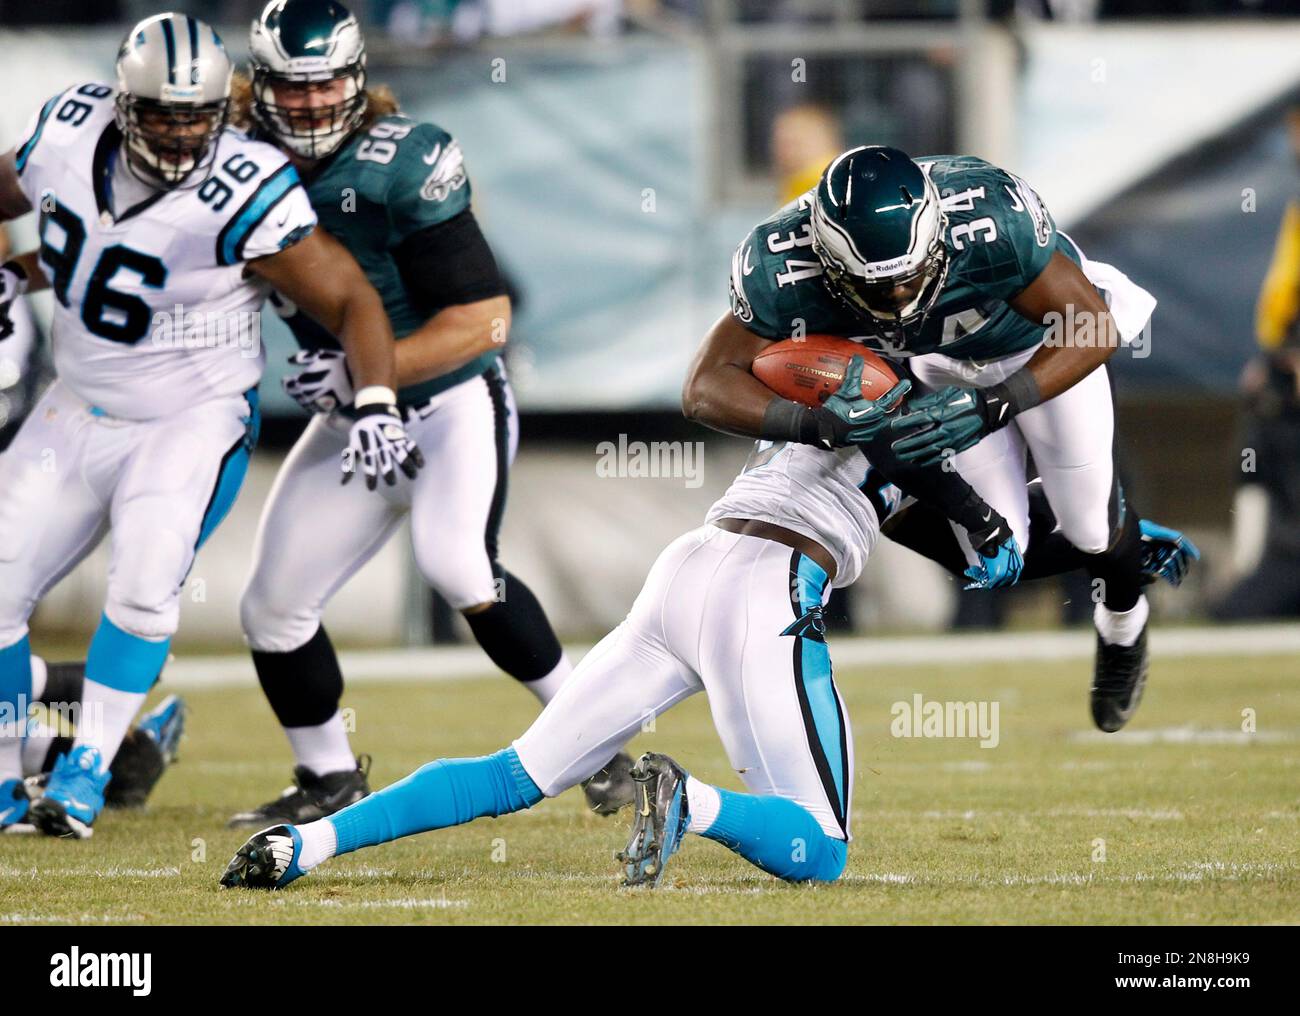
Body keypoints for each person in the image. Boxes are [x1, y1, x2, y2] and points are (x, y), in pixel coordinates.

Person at [0, 12, 421, 838]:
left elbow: (351, 299)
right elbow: (50, 224)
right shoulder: (65, 129)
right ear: (124, 105)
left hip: (188, 416)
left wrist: (375, 399)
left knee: (146, 580)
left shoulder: (244, 181)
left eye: (197, 115)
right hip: (77, 401)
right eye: (163, 113)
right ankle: (12, 775)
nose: (183, 132)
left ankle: (86, 770)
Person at [226, 0, 632, 827]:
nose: (307, 103)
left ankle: (601, 746)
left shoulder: (403, 162)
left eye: (326, 83)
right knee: (270, 608)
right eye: (290, 86)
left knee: (456, 565)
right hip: (349, 422)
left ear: (357, 78)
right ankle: (328, 778)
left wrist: (362, 376)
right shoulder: (236, 163)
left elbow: (484, 322)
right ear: (257, 85)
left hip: (450, 404)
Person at [723, 145, 1191, 732]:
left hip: (1039, 344)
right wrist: (812, 424)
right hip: (941, 365)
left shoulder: (991, 216)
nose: (898, 298)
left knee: (1091, 528)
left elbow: (1092, 324)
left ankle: (1122, 622)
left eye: (909, 277)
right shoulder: (780, 263)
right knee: (997, 551)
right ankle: (1113, 534)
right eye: (878, 286)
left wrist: (998, 403)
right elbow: (704, 384)